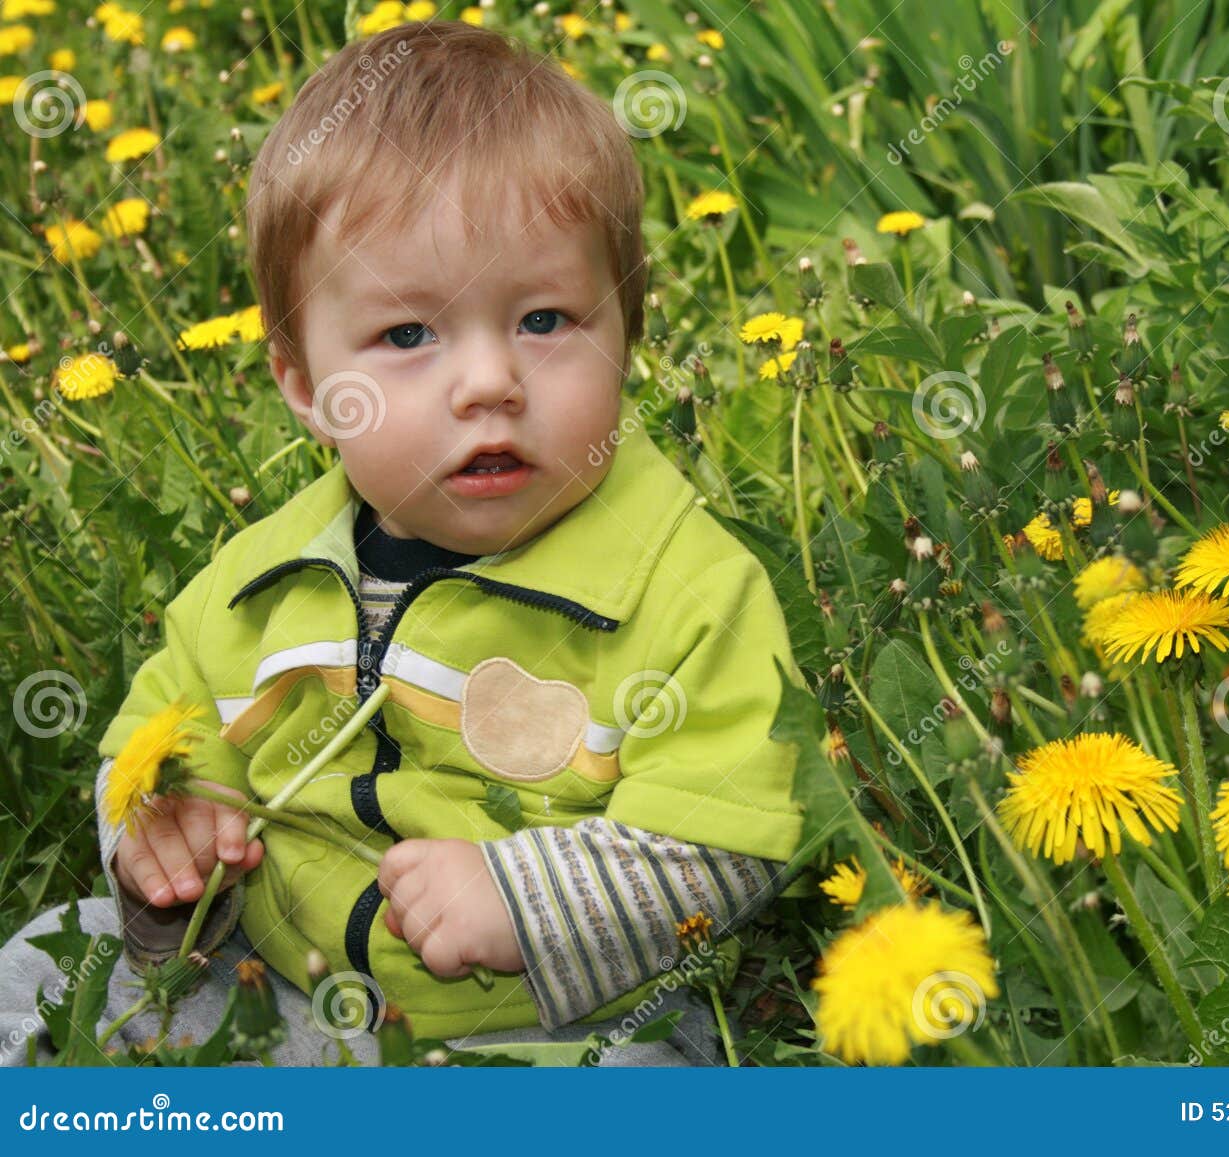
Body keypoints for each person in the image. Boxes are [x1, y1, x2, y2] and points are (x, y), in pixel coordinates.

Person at [0, 20, 804, 1067]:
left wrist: (524, 902)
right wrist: (167, 839)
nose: (487, 382)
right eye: (409, 335)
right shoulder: (250, 590)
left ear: (630, 328)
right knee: (42, 964)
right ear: (301, 382)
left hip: (547, 1030)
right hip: (271, 981)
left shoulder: (688, 589)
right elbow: (154, 741)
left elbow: (733, 831)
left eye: (547, 319)